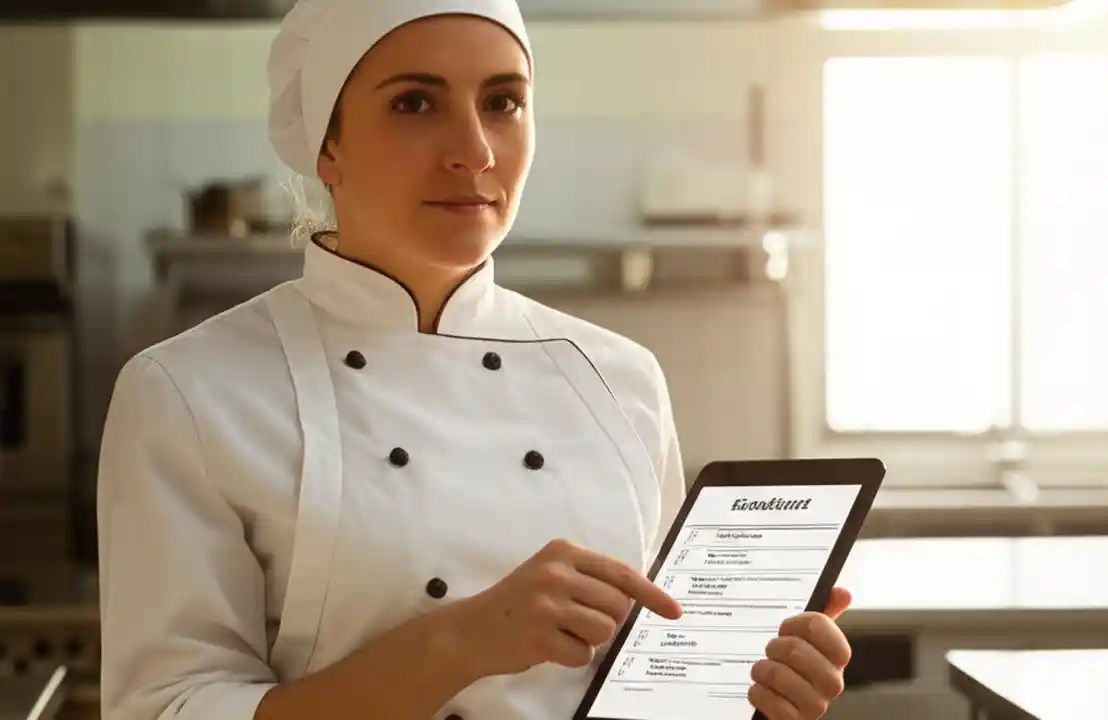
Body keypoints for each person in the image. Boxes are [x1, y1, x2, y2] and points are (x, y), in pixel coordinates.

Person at [95, 1, 854, 718]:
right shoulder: (190, 392)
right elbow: (169, 708)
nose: (475, 151)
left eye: (503, 102)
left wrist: (744, 692)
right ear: (328, 144)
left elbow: (649, 686)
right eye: (415, 104)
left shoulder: (619, 380)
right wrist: (462, 641)